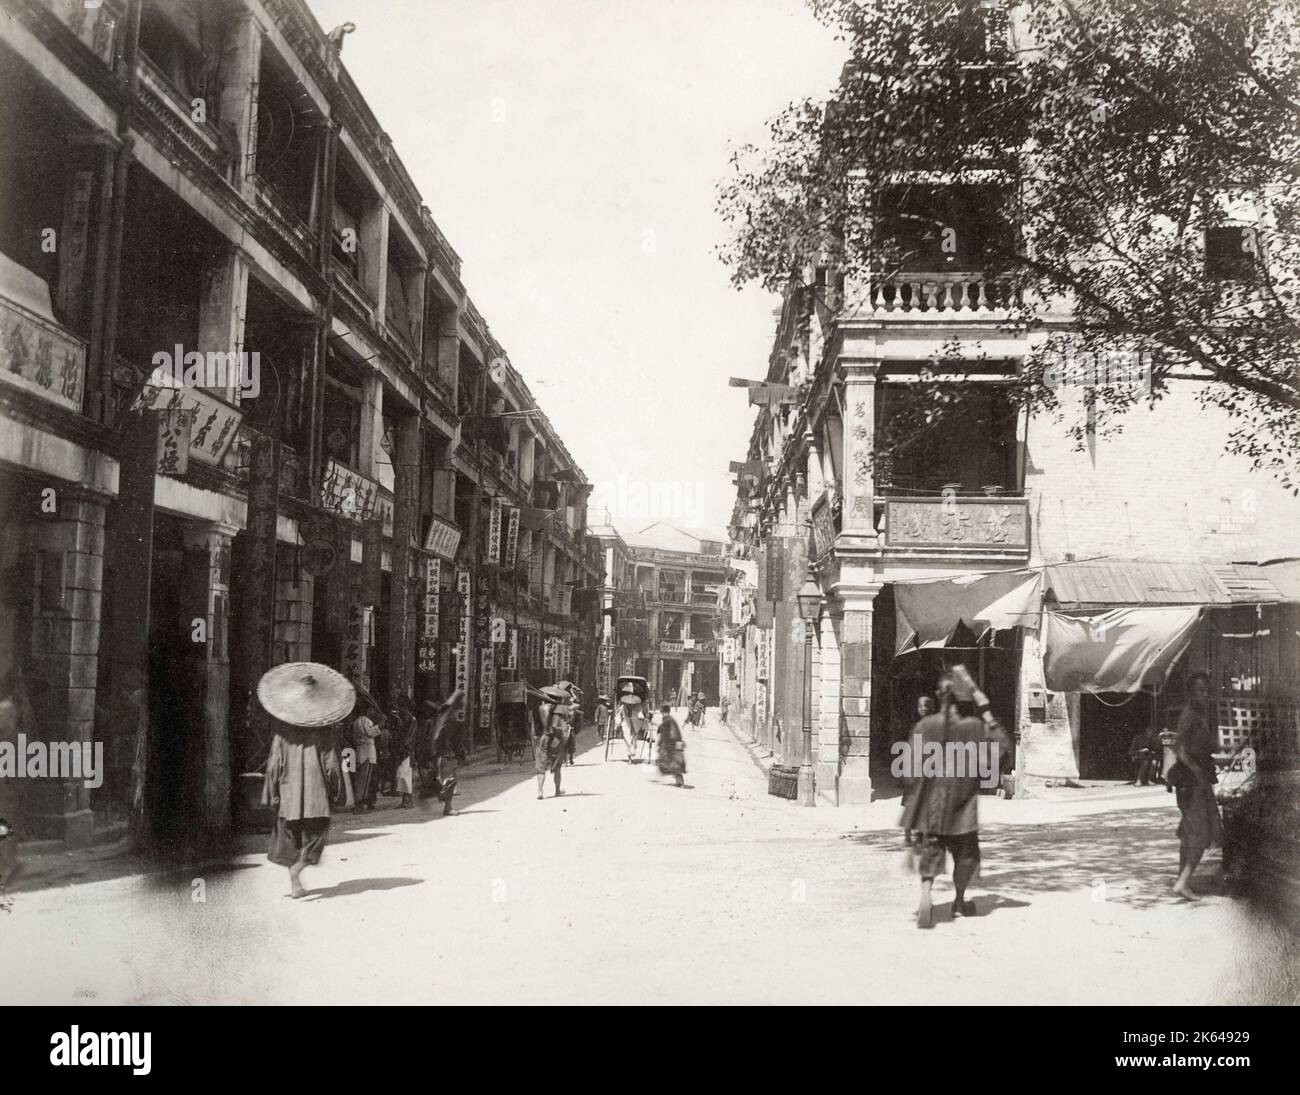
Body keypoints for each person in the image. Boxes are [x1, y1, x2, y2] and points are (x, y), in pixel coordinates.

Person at [899, 666, 1012, 930]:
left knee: (931, 848)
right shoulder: (974, 728)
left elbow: (908, 769)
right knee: (967, 856)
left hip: (932, 806)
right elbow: (1002, 751)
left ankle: (926, 895)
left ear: (939, 697)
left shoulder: (924, 725)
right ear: (964, 701)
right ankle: (959, 900)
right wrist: (984, 708)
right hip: (962, 810)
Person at [257, 663, 353, 898]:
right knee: (316, 838)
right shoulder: (325, 732)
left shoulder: (282, 732)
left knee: (287, 840)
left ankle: (294, 882)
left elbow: (274, 765)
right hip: (315, 797)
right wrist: (336, 791)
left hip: (288, 796)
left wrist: (270, 793)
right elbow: (331, 765)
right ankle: (297, 873)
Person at [1169, 672, 1222, 901]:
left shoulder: (1200, 715)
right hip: (1191, 783)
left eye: (1207, 690)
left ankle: (1183, 879)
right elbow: (1179, 749)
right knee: (1200, 834)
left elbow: (1200, 747)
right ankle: (1182, 883)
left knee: (1190, 834)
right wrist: (1196, 770)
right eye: (1201, 690)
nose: (1206, 694)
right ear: (1191, 692)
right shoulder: (1189, 715)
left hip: (1197, 781)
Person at [423, 690, 465, 815]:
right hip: (445, 752)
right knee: (449, 780)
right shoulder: (449, 716)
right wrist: (447, 751)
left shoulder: (447, 714)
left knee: (448, 779)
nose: (463, 703)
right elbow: (443, 735)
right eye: (461, 700)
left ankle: (446, 805)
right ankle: (447, 807)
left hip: (444, 751)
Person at [534, 686, 572, 799]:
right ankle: (557, 790)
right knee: (557, 767)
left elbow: (536, 725)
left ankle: (540, 791)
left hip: (544, 738)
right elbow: (559, 725)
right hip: (556, 740)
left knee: (541, 767)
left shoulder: (541, 708)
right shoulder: (560, 709)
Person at [350, 702, 381, 813]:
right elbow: (371, 733)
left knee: (360, 779)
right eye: (371, 710)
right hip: (367, 753)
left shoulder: (356, 721)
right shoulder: (366, 721)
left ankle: (361, 803)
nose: (372, 712)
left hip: (360, 751)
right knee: (365, 780)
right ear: (367, 710)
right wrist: (380, 726)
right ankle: (359, 804)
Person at [392, 696, 419, 808]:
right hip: (404, 751)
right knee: (402, 776)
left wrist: (403, 748)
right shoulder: (406, 721)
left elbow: (408, 738)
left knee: (405, 775)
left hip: (407, 752)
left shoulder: (412, 721)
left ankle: (409, 801)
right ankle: (405, 800)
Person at [655, 704, 687, 787]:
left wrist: (661, 743)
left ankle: (679, 780)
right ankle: (678, 780)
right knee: (673, 762)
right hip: (674, 742)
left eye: (662, 712)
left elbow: (666, 733)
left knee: (671, 762)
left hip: (671, 743)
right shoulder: (669, 719)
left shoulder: (668, 720)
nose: (662, 714)